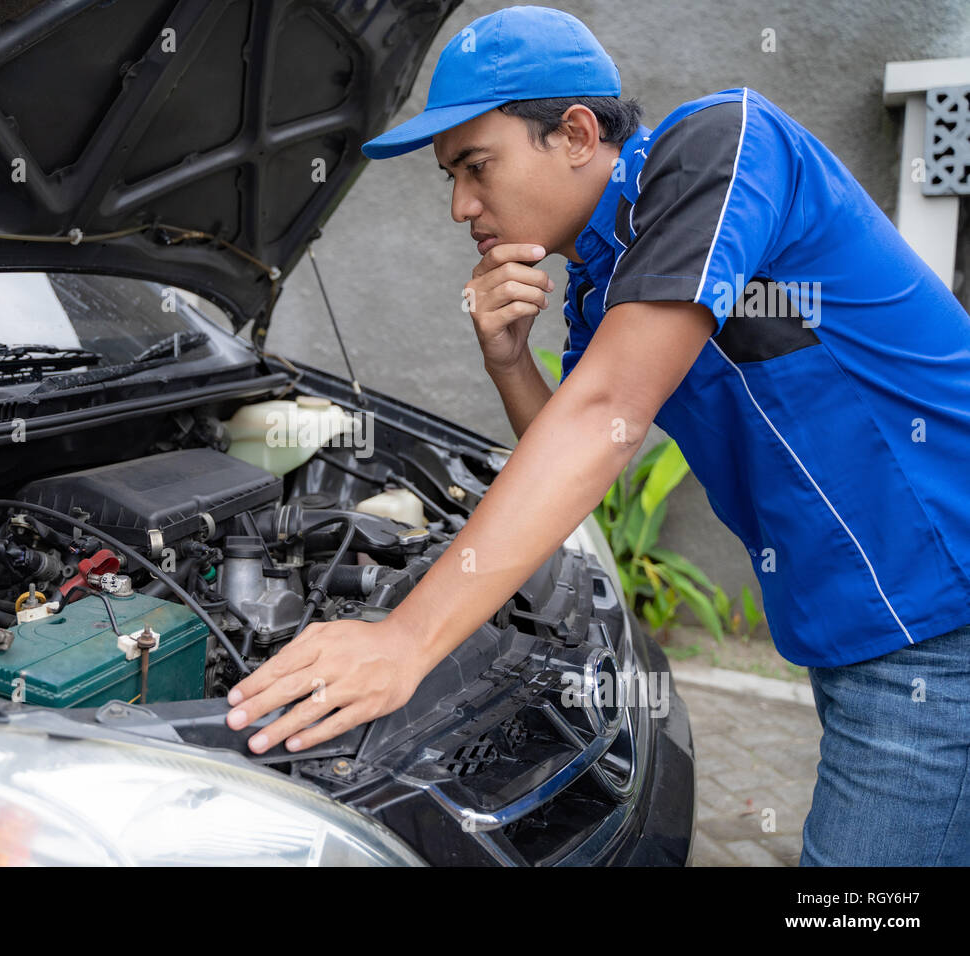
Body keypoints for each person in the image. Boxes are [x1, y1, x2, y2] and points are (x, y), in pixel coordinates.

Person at [223, 5, 970, 865]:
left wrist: (405, 640)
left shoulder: (721, 150)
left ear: (576, 132)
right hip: (859, 628)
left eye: (476, 166)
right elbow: (583, 471)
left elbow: (602, 414)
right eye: (450, 179)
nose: (462, 205)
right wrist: (507, 360)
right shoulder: (600, 282)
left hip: (938, 614)